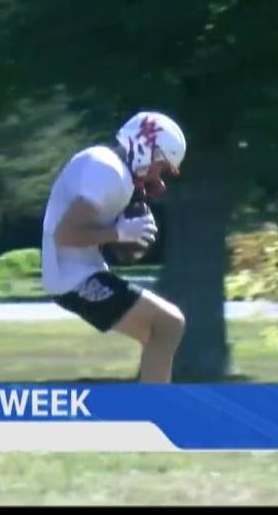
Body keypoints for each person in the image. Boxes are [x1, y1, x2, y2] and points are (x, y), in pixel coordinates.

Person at [41, 111, 187, 383]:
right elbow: (65, 234)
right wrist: (119, 232)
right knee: (169, 324)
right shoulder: (108, 170)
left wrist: (122, 237)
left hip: (76, 272)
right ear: (146, 148)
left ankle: (149, 410)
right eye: (161, 166)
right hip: (73, 278)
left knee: (156, 336)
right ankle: (158, 415)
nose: (159, 178)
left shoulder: (108, 167)